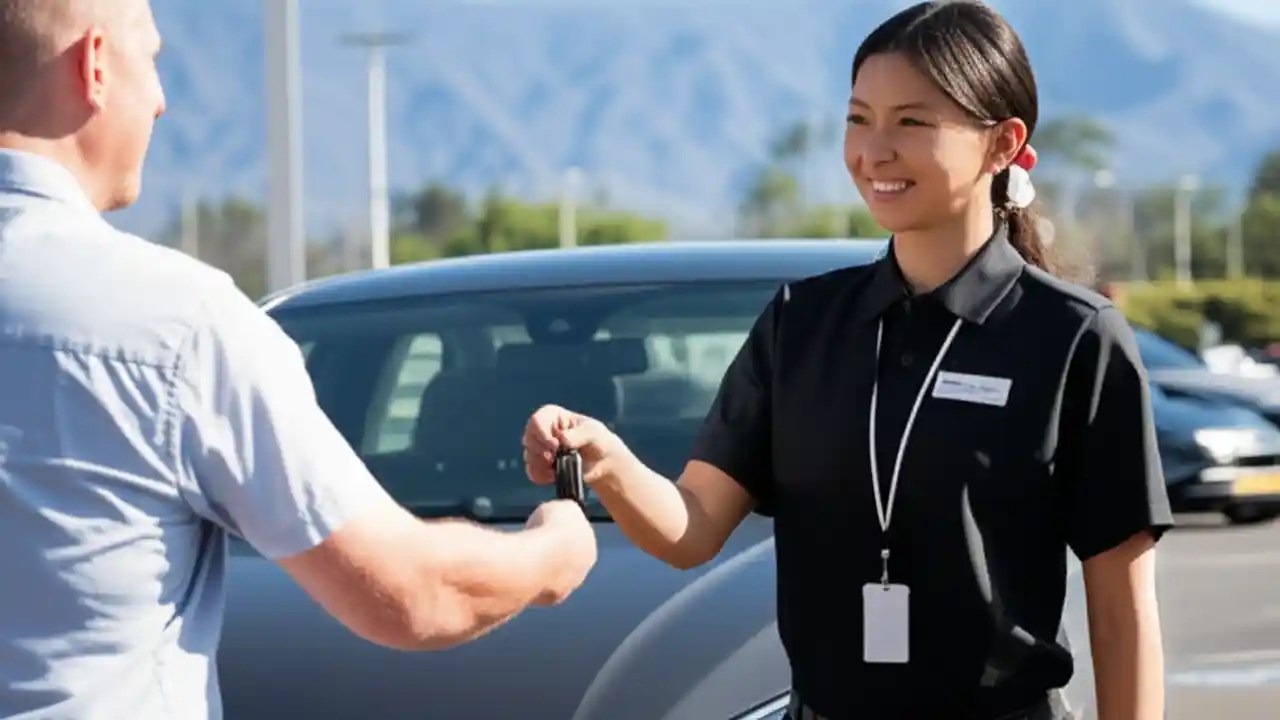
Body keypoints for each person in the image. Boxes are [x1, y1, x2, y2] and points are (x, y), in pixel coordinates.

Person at [523, 2, 1172, 719]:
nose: (874, 150)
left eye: (911, 122)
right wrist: (608, 460)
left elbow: (1123, 607)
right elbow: (692, 527)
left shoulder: (1075, 337)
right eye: (859, 119)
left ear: (1002, 143)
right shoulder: (801, 322)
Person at [0, 1, 596, 717]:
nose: (160, 101)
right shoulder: (177, 324)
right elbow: (413, 593)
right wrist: (552, 552)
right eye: (152, 59)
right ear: (95, 64)